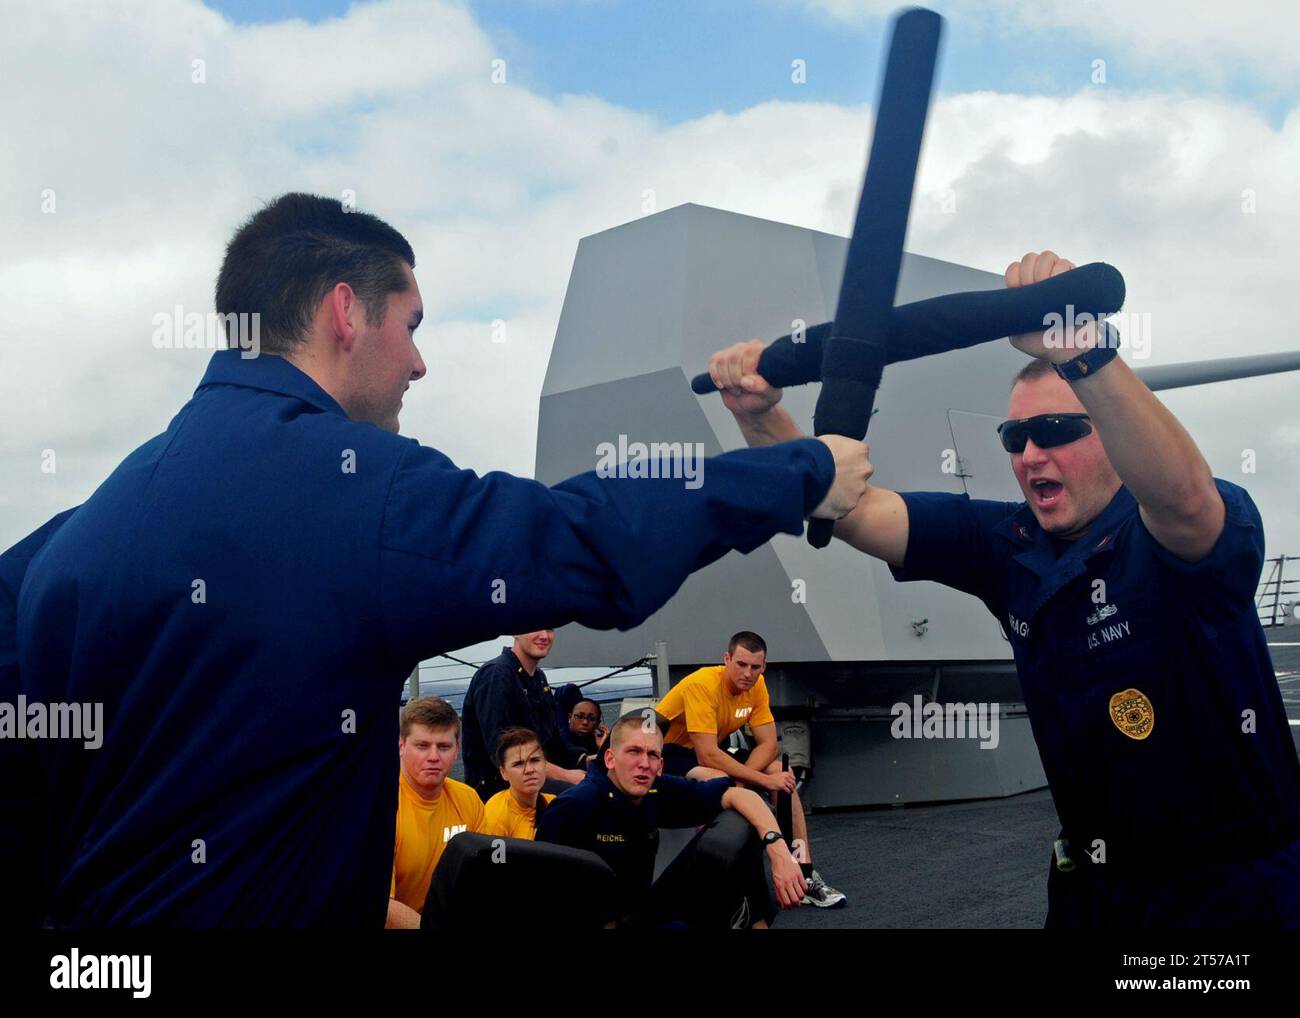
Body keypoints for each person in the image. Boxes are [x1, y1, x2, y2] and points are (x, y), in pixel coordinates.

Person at [7, 192, 875, 927]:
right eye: (411, 326)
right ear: (346, 312)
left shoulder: (72, 538)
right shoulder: (354, 491)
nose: (419, 363)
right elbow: (583, 538)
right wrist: (800, 469)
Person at [706, 249, 1300, 928]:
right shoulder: (1007, 545)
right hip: (1095, 885)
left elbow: (1187, 502)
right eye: (1015, 437)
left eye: (1053, 431)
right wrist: (759, 420)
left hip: (1231, 891)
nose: (1029, 455)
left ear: (1111, 432)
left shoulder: (1174, 529)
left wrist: (1084, 353)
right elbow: (854, 508)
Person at [537, 711, 807, 928]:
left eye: (652, 754)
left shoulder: (655, 789)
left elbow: (738, 795)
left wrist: (779, 851)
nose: (644, 763)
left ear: (661, 765)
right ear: (610, 758)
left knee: (738, 827)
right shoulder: (575, 806)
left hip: (642, 911)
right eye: (633, 752)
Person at [654, 630, 846, 908]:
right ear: (727, 659)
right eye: (741, 664)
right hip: (670, 754)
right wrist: (756, 782)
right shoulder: (702, 684)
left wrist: (755, 782)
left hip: (713, 750)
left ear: (763, 666)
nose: (748, 673)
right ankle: (725, 884)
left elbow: (768, 745)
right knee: (728, 779)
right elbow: (706, 754)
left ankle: (805, 875)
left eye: (755, 667)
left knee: (781, 774)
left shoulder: (757, 686)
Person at [387, 697, 485, 929]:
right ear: (401, 746)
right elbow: (379, 905)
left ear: (457, 749)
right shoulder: (381, 807)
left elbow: (484, 880)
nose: (433, 757)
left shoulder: (468, 799)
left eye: (444, 746)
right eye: (422, 746)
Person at [463, 631, 584, 798]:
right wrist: (567, 776)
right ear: (515, 631)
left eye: (549, 629)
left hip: (534, 780)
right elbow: (503, 751)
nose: (544, 636)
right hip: (501, 790)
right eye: (535, 627)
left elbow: (554, 746)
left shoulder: (538, 678)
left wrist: (587, 760)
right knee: (583, 796)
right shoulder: (496, 675)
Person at [481, 727, 555, 840]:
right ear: (503, 773)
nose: (529, 770)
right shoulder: (496, 816)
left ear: (545, 764)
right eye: (518, 764)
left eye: (535, 760)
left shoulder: (554, 804)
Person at [563, 697, 608, 769]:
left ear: (598, 724)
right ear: (569, 717)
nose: (585, 722)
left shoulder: (598, 741)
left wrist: (604, 745)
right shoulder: (559, 742)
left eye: (592, 719)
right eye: (580, 717)